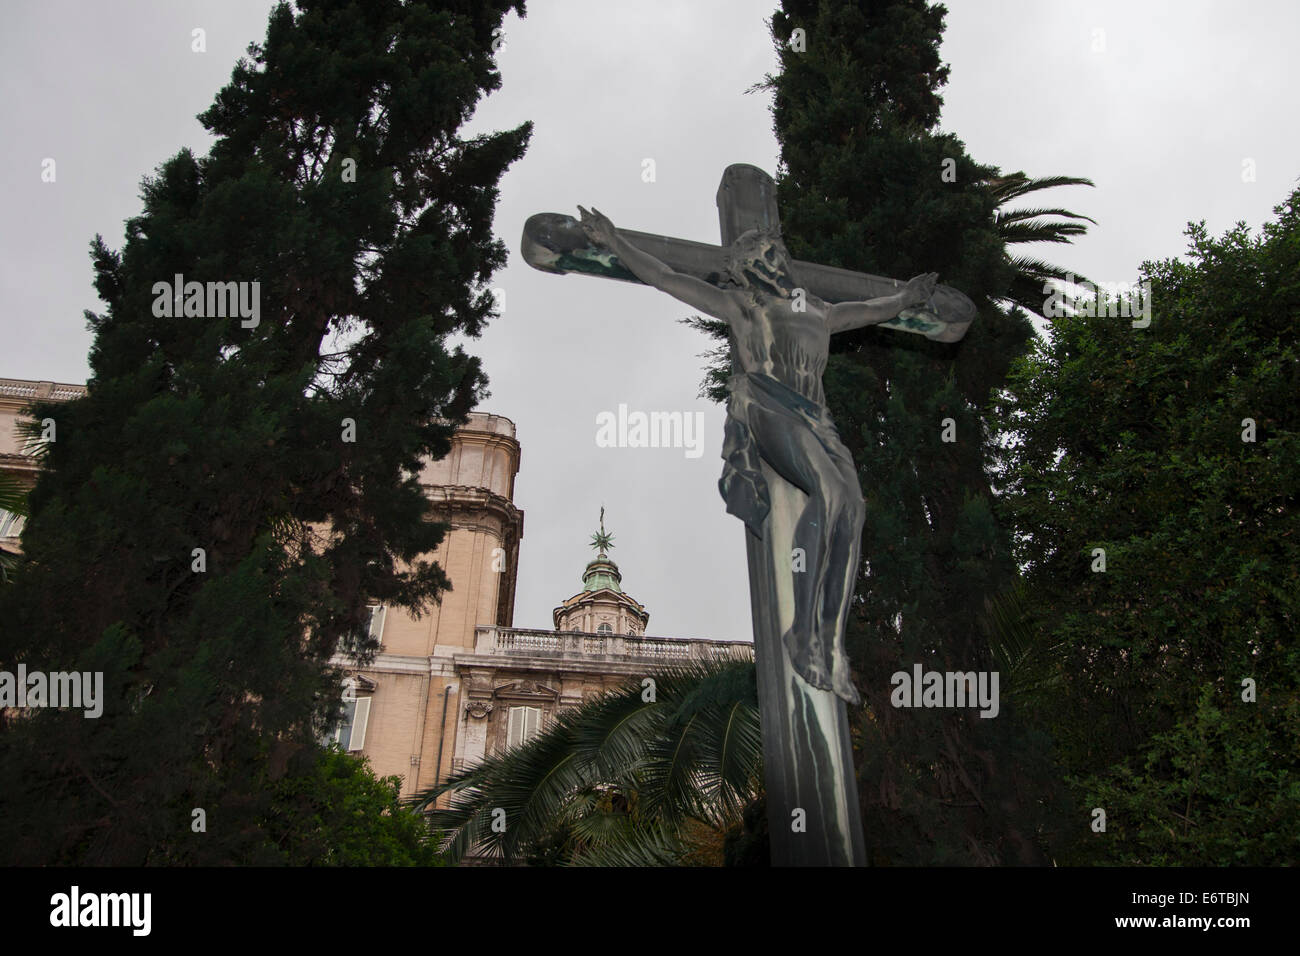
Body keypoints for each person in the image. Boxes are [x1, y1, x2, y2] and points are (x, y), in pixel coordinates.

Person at [578, 206, 935, 705]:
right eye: (757, 257)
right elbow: (663, 276)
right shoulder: (742, 307)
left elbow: (878, 309)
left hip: (818, 418)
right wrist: (615, 241)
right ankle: (800, 636)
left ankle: (829, 642)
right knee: (828, 493)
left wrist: (908, 297)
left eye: (772, 254)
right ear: (744, 268)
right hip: (768, 405)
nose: (768, 262)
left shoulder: (822, 312)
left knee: (852, 509)